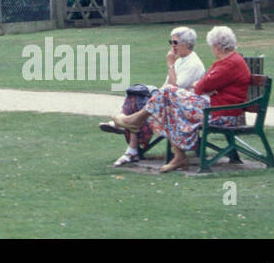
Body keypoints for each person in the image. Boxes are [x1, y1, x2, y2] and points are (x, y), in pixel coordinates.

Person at [110, 25, 249, 172]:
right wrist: (204, 86)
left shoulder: (229, 64)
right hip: (215, 109)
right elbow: (204, 86)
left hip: (220, 115)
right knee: (168, 100)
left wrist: (203, 86)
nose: (212, 49)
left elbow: (201, 87)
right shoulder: (228, 61)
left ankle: (135, 120)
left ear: (216, 46)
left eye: (211, 46)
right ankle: (178, 156)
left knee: (169, 93)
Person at [99, 26, 205, 166]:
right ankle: (129, 137)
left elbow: (173, 89)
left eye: (174, 42)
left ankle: (127, 137)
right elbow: (165, 88)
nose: (172, 46)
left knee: (139, 102)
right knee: (136, 93)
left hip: (180, 107)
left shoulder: (193, 64)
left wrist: (170, 64)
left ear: (186, 44)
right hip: (168, 102)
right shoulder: (180, 60)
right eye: (171, 42)